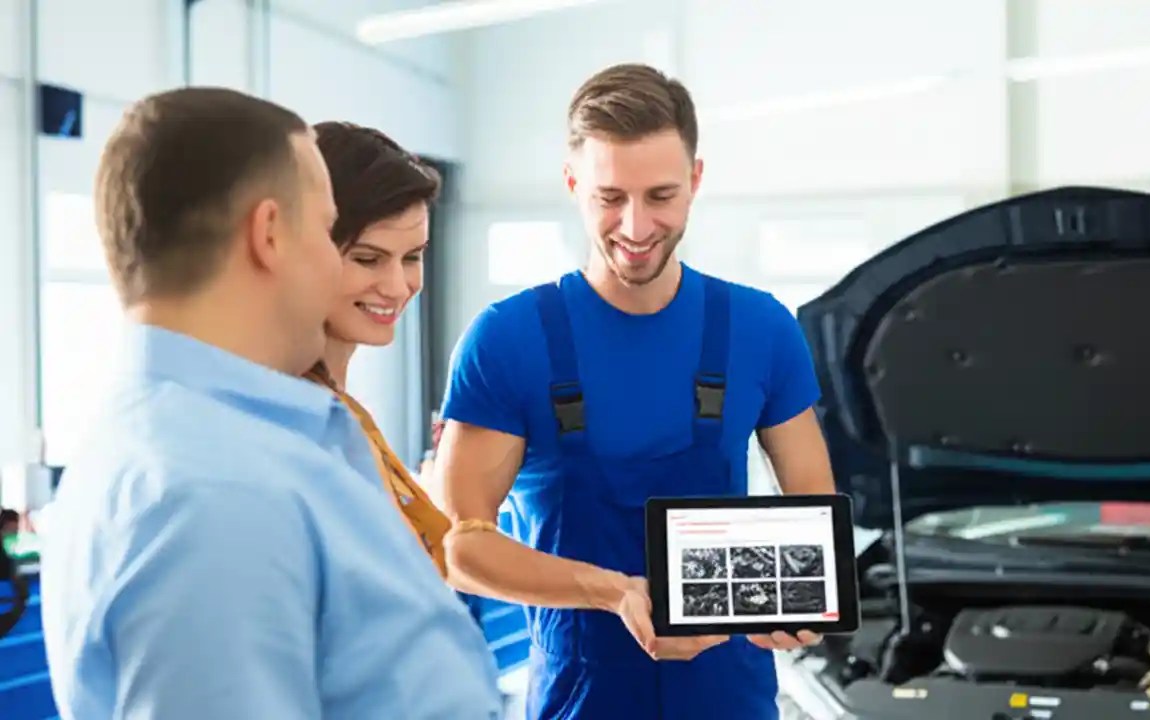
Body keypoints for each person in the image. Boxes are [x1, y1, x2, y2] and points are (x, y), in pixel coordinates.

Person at [38, 87, 501, 720]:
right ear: (270, 234)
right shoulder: (213, 491)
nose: (390, 281)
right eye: (326, 226)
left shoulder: (231, 447)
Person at [433, 63, 837, 719]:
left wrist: (803, 600)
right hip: (579, 701)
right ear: (571, 184)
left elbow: (815, 511)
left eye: (661, 195)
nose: (636, 225)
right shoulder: (506, 340)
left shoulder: (761, 329)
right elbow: (461, 549)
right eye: (609, 197)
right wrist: (613, 591)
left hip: (732, 701)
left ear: (696, 181)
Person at [303, 121, 453, 577]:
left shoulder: (342, 408)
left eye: (412, 257)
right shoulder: (296, 416)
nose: (396, 286)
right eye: (367, 259)